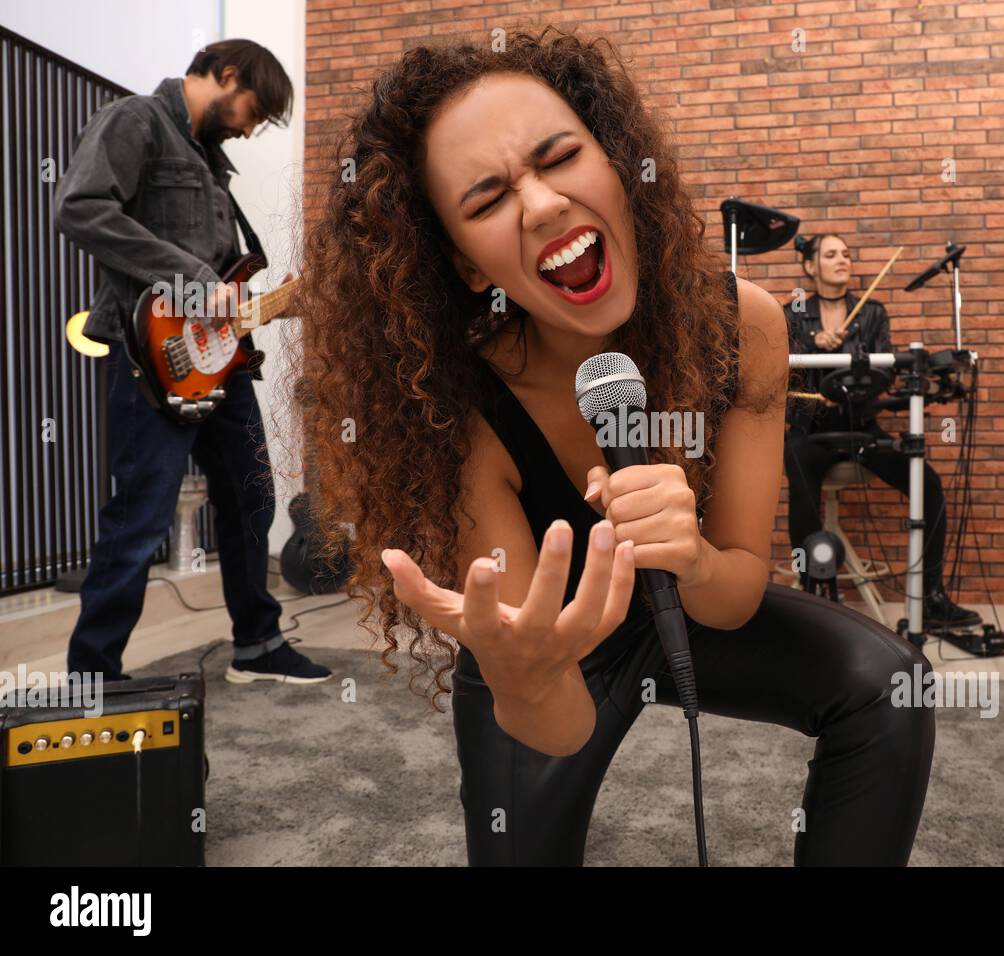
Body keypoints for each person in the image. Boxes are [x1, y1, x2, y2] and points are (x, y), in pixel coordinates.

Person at [297, 26, 935, 866]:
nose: (542, 204)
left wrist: (696, 561)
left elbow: (736, 592)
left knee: (892, 684)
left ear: (618, 162)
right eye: (487, 201)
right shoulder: (463, 407)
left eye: (560, 156)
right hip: (544, 648)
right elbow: (558, 722)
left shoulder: (743, 327)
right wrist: (524, 668)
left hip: (688, 610)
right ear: (465, 264)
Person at [55, 40, 330, 684]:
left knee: (251, 498)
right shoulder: (135, 121)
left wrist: (264, 305)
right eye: (252, 110)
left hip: (220, 361)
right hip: (146, 357)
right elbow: (79, 206)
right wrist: (191, 277)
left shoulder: (213, 163)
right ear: (226, 75)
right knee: (141, 515)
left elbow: (219, 285)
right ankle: (92, 676)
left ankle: (258, 647)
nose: (249, 128)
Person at [783, 233, 980, 628]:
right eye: (831, 254)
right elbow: (780, 374)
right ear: (810, 266)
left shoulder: (871, 312)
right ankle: (811, 593)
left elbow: (887, 372)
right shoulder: (793, 314)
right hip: (812, 428)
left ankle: (932, 599)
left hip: (862, 426)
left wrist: (856, 362)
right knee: (799, 469)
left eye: (847, 254)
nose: (843, 260)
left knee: (929, 484)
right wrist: (814, 343)